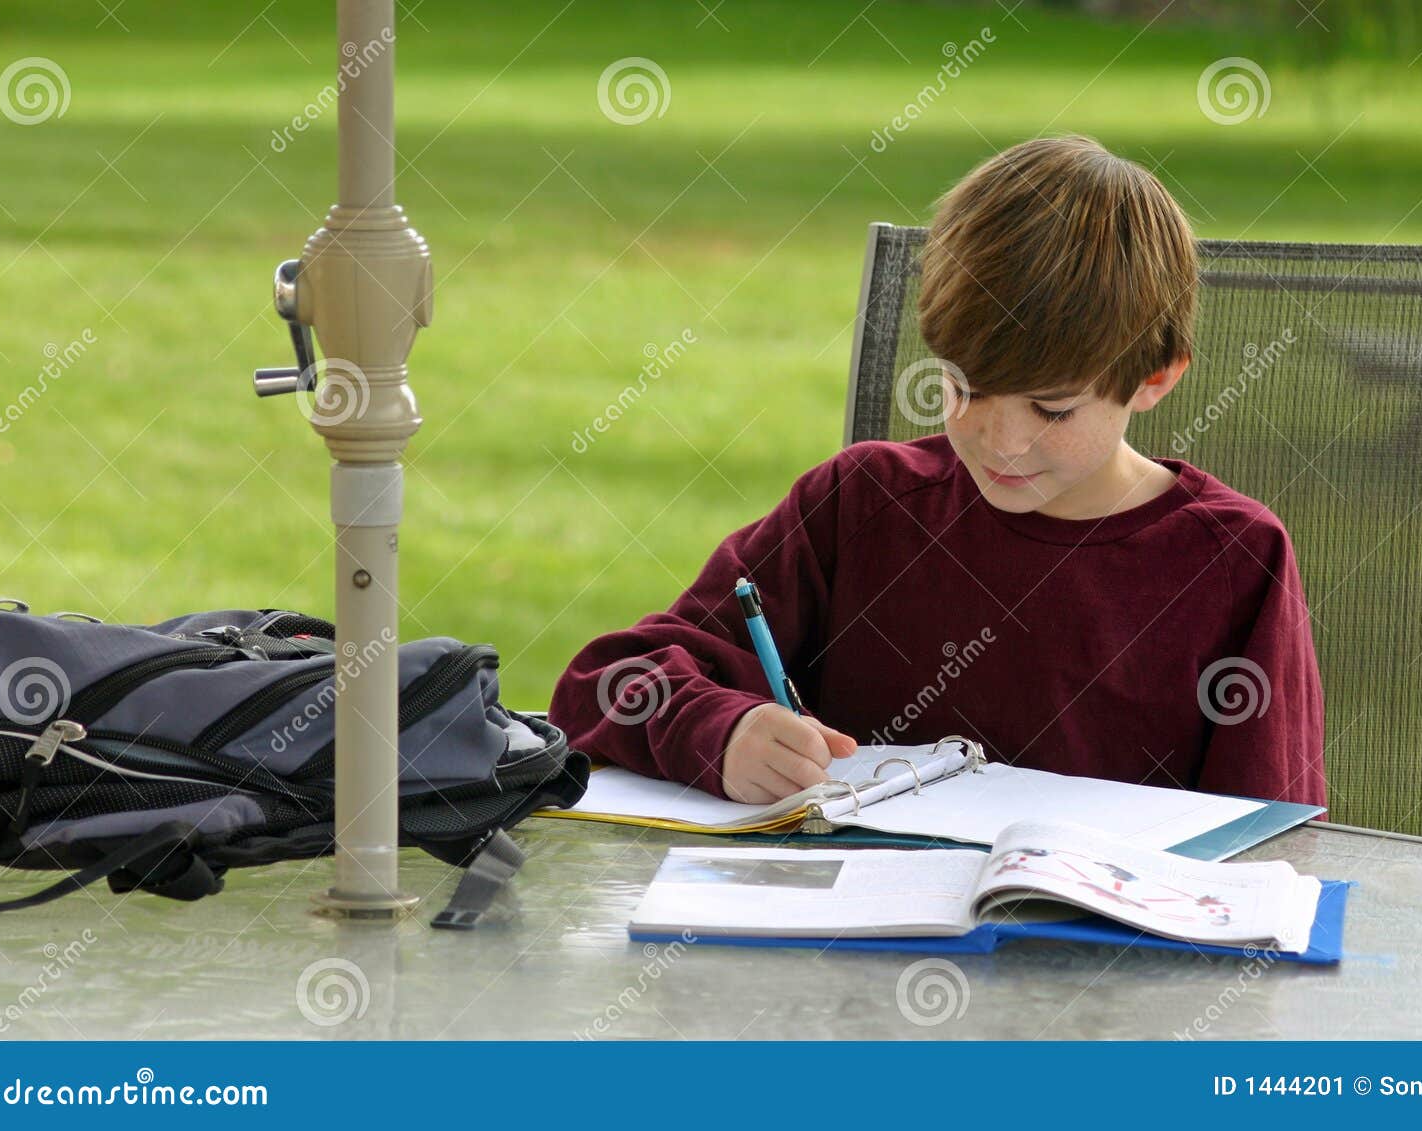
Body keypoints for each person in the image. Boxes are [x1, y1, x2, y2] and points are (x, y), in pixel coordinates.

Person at [550, 134, 1327, 813]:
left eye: (1051, 410)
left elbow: (1269, 844)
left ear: (1156, 378)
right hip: (842, 960)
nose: (1001, 441)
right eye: (965, 389)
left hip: (1113, 972)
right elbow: (606, 680)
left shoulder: (1234, 562)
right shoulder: (863, 503)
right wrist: (723, 732)